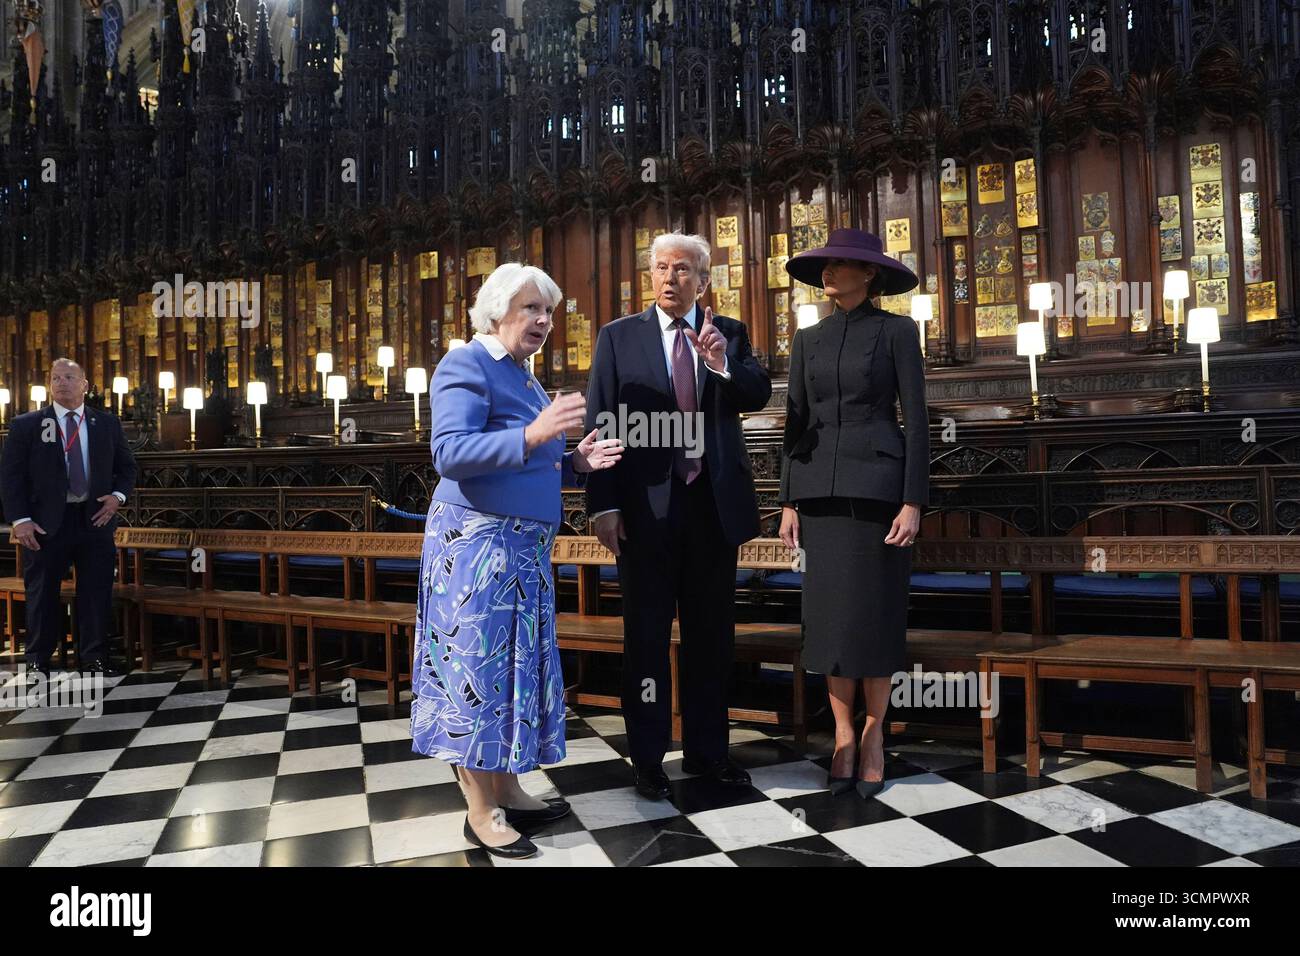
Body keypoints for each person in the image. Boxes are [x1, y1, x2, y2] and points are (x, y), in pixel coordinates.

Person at [410, 263, 622, 860]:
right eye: (531, 308)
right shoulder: (466, 363)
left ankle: (507, 786)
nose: (544, 321)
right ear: (497, 309)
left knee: (512, 671)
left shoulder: (523, 378)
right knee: (476, 672)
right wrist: (536, 435)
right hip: (476, 549)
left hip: (522, 553)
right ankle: (481, 811)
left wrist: (574, 462)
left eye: (549, 311)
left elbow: (529, 457)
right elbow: (450, 454)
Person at [584, 232, 772, 800]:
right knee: (645, 639)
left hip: (712, 508)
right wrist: (605, 504)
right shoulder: (618, 337)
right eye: (662, 267)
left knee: (711, 638)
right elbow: (601, 422)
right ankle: (647, 757)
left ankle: (708, 752)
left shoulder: (728, 332)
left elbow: (758, 394)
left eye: (683, 269)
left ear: (703, 280)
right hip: (645, 512)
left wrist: (720, 364)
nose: (671, 277)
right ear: (651, 276)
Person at [778, 228, 930, 799]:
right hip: (818, 494)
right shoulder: (807, 339)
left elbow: (917, 419)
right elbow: (795, 421)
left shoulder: (897, 331)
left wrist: (913, 500)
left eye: (840, 263)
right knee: (831, 621)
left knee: (874, 616)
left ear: (869, 274)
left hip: (879, 495)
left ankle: (873, 733)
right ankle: (842, 733)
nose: (828, 271)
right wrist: (787, 500)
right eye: (825, 263)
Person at [0, 358, 137, 678]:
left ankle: (94, 658)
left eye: (69, 377)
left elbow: (127, 468)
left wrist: (117, 497)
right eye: (56, 378)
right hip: (45, 523)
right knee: (42, 592)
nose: (61, 382)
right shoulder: (27, 425)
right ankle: (38, 659)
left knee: (96, 591)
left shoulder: (106, 424)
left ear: (85, 385)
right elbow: (10, 477)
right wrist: (20, 520)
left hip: (94, 520)